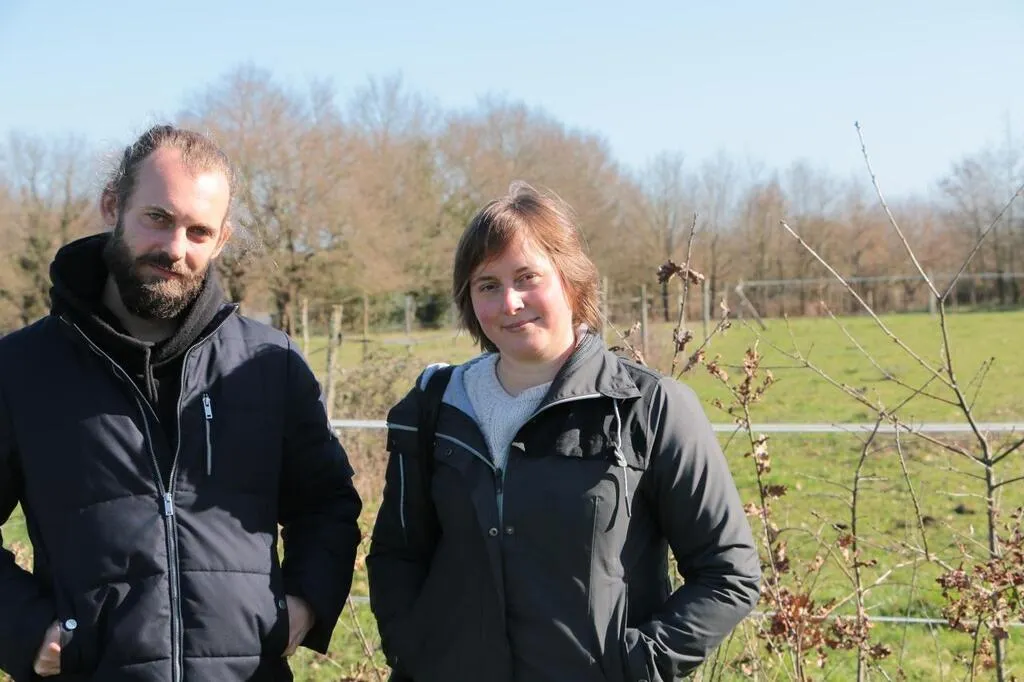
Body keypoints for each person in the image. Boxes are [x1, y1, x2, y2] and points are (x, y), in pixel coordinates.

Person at [0, 125, 363, 681]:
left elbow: (327, 505)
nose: (175, 249)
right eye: (158, 218)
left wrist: (304, 604)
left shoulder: (270, 366)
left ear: (221, 240)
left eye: (199, 231)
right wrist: (25, 630)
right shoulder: (20, 369)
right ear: (112, 206)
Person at [367, 182, 761, 682]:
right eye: (487, 285)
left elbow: (729, 573)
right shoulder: (435, 407)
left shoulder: (648, 407)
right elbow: (397, 555)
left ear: (571, 281)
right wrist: (413, 653)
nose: (510, 302)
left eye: (527, 277)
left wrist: (633, 666)